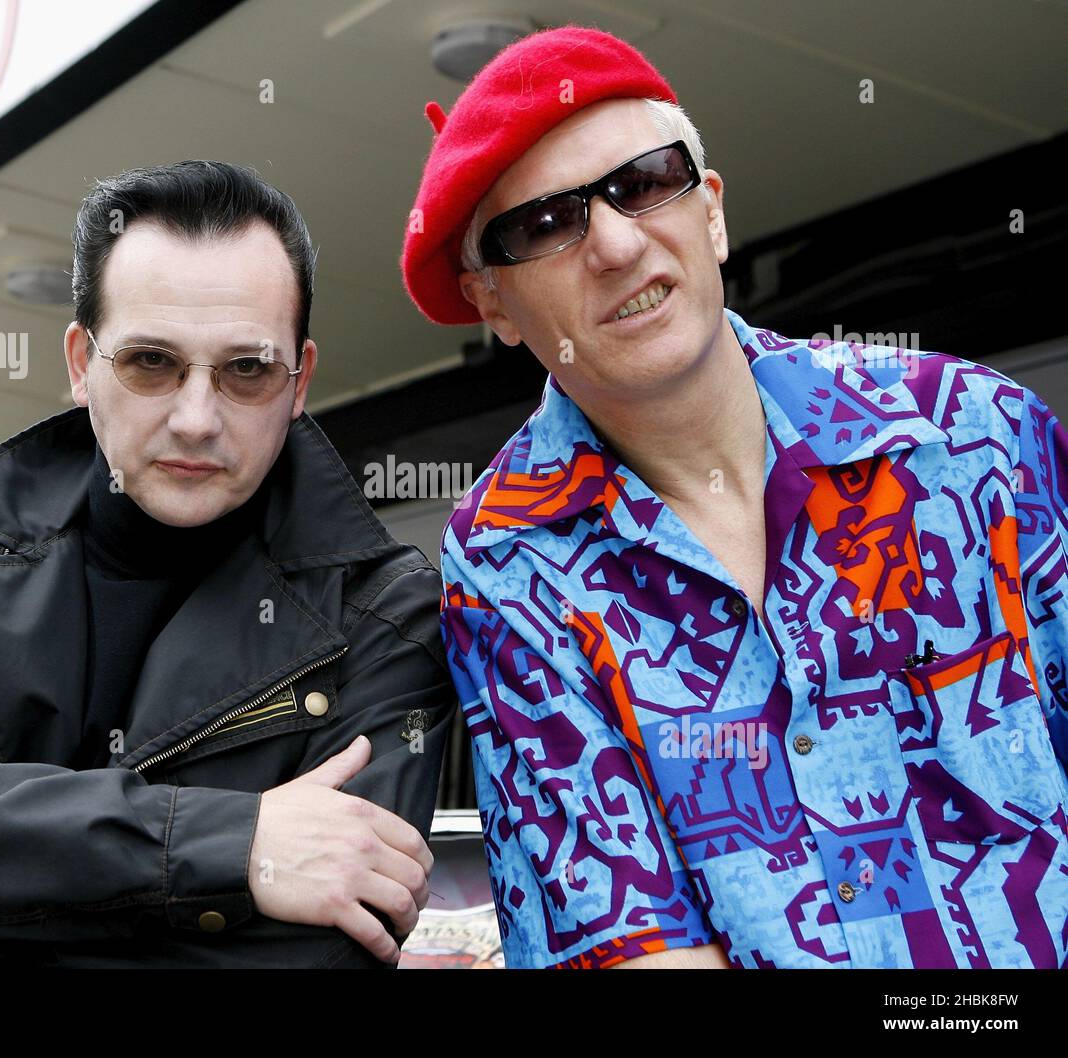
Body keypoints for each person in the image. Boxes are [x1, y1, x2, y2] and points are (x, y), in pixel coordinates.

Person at [401, 25, 1068, 968]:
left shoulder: (971, 432)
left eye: (642, 183)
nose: (617, 244)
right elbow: (626, 948)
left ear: (710, 213)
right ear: (494, 307)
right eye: (545, 225)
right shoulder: (505, 559)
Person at [0, 160, 454, 968]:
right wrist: (234, 846)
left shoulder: (385, 615)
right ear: (82, 364)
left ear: (300, 383)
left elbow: (316, 958)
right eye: (152, 362)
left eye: (246, 370)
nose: (195, 418)